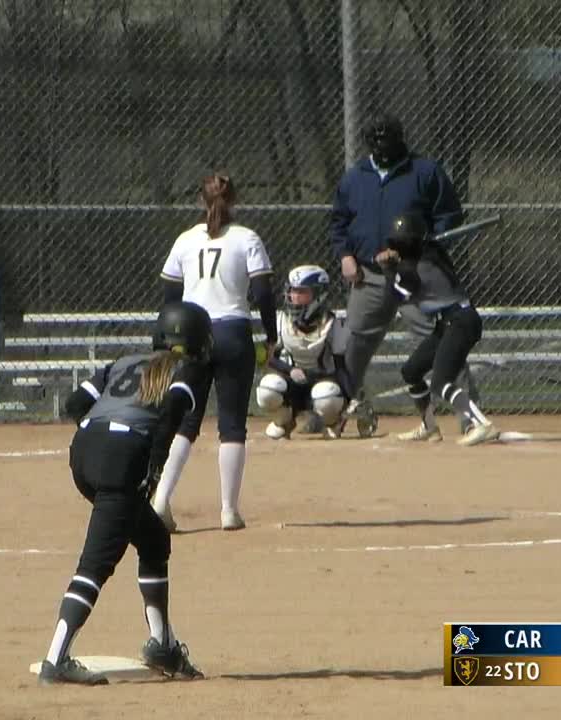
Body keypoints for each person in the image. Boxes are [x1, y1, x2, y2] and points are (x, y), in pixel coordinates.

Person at [37, 301, 212, 686]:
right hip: (123, 460)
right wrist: (152, 467)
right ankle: (56, 658)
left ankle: (161, 643)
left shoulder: (125, 360)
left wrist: (100, 430)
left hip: (84, 454)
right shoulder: (188, 371)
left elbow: (75, 404)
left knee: (152, 538)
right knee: (96, 564)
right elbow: (169, 415)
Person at [329, 111, 476, 436]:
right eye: (376, 141)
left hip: (415, 274)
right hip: (369, 275)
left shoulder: (424, 171)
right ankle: (334, 412)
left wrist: (416, 248)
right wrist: (345, 256)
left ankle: (469, 419)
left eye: (388, 140)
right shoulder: (355, 177)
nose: (382, 147)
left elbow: (449, 216)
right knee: (351, 345)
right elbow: (339, 222)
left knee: (442, 342)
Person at [150, 173, 277, 533]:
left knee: (184, 421)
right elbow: (264, 291)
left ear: (200, 201)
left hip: (192, 334)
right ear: (234, 200)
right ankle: (228, 511)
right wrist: (269, 335)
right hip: (234, 331)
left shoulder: (186, 240)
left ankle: (160, 501)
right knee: (232, 424)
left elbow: (170, 297)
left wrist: (172, 337)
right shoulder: (246, 238)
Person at [379, 214, 499, 445]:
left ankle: (483, 424)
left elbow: (393, 298)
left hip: (461, 321)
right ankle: (429, 427)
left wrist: (387, 268)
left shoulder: (411, 269)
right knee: (411, 371)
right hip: (447, 323)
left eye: (401, 244)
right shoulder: (434, 250)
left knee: (441, 382)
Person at [255, 265, 352, 440]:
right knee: (268, 388)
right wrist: (289, 370)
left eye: (301, 292)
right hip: (293, 385)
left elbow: (341, 368)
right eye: (292, 291)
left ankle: (332, 421)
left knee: (326, 394)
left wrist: (349, 399)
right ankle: (284, 422)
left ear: (318, 295)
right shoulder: (281, 320)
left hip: (321, 384)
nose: (294, 297)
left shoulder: (333, 324)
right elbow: (268, 358)